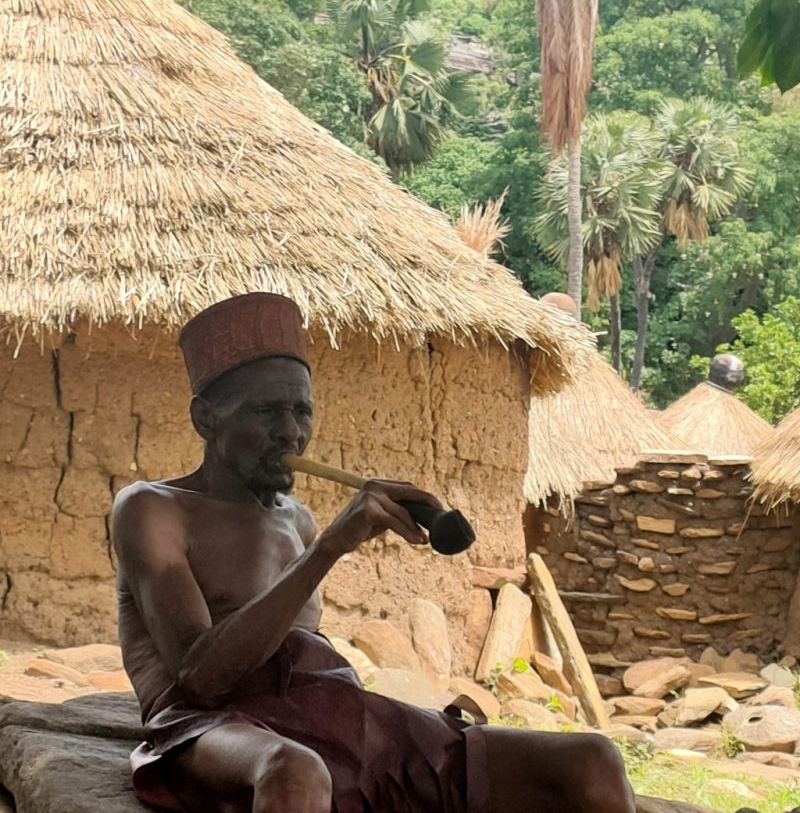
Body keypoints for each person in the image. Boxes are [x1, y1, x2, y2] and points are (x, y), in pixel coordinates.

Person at [113, 292, 635, 813]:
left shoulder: (295, 519)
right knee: (293, 771)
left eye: (301, 411)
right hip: (210, 728)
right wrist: (329, 549)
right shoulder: (152, 509)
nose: (290, 432)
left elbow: (297, 654)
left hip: (326, 711)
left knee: (592, 759)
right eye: (267, 410)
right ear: (206, 419)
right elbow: (201, 678)